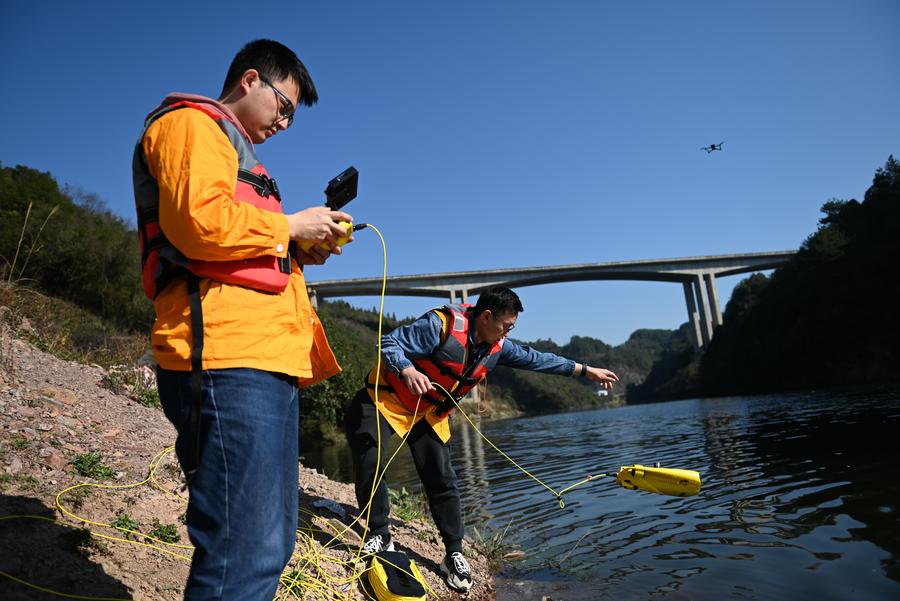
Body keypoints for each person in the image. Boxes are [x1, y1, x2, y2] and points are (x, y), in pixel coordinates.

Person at [132, 39, 351, 600]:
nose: (284, 122)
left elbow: (235, 243)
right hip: (225, 362)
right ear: (250, 80)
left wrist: (301, 246)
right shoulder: (192, 125)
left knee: (270, 543)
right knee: (244, 548)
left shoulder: (238, 155)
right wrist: (287, 230)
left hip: (263, 362)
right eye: (284, 106)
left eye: (292, 117)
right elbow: (198, 224)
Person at [344, 286, 619, 593]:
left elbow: (538, 359)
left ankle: (454, 552)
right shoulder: (439, 326)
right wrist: (407, 368)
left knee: (442, 479)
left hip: (428, 412)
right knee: (370, 458)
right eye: (506, 325)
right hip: (386, 398)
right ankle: (380, 533)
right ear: (486, 317)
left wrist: (585, 370)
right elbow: (389, 342)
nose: (507, 333)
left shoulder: (498, 346)